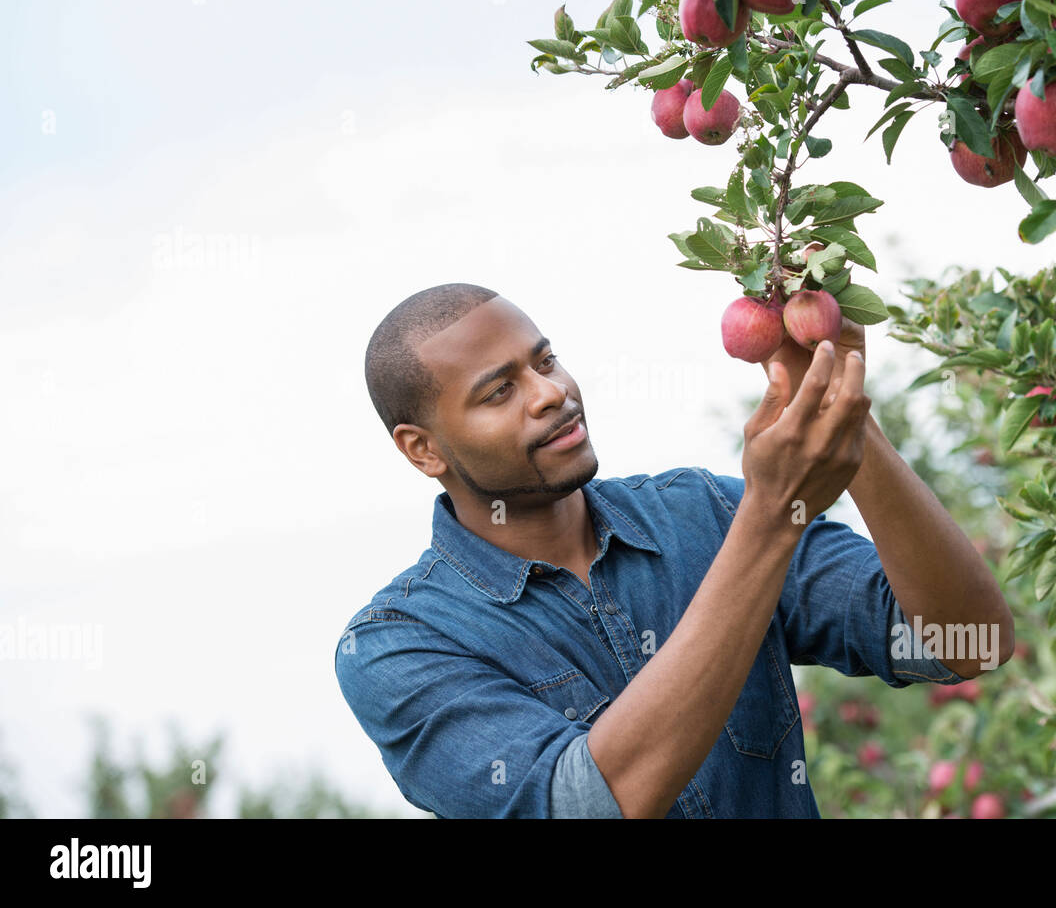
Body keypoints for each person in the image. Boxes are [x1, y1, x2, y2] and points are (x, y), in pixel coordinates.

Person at [334, 283, 1015, 818]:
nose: (551, 394)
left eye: (545, 361)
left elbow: (971, 640)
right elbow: (585, 805)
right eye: (500, 391)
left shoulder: (701, 511)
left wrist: (841, 409)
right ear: (421, 447)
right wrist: (771, 517)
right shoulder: (397, 644)